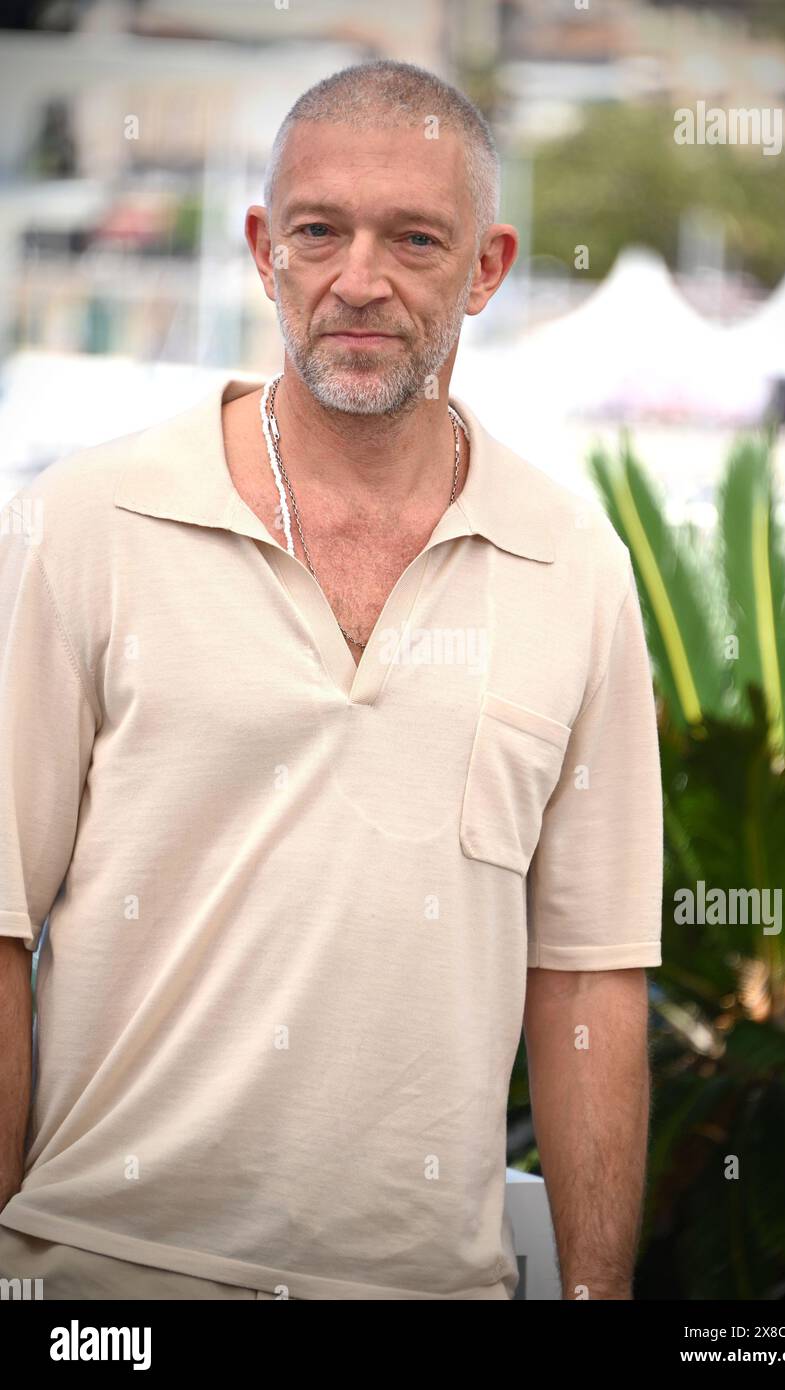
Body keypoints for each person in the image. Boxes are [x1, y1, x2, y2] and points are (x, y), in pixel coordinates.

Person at [0, 59, 662, 1301]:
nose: (360, 279)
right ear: (264, 247)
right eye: (319, 230)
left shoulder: (576, 567)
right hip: (97, 1278)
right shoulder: (80, 524)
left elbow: (589, 978)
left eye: (414, 238)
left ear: (485, 266)